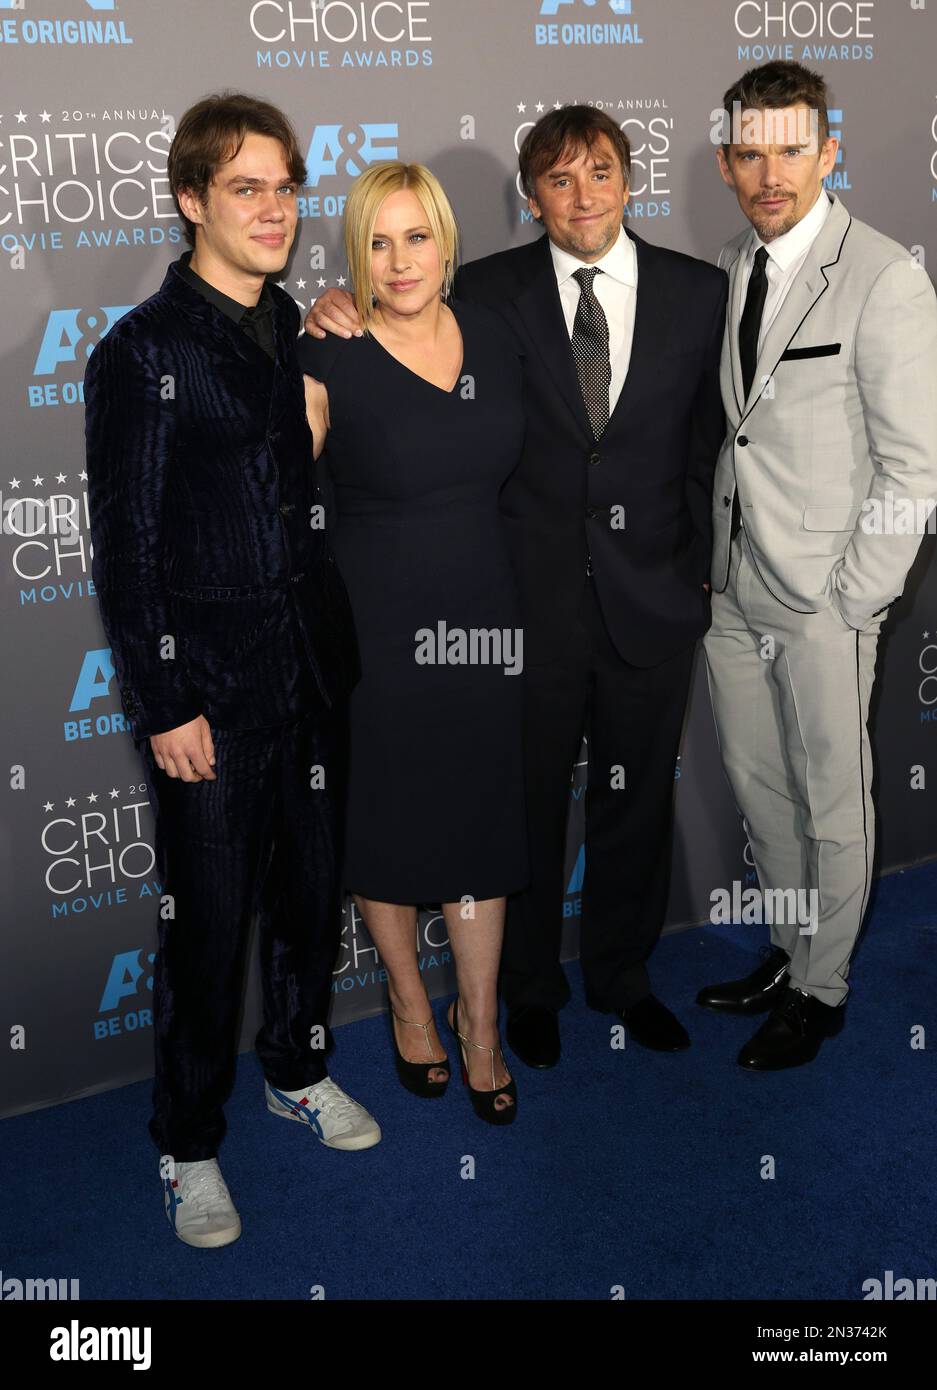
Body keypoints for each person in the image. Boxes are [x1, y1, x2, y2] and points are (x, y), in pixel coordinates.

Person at [306, 107, 727, 1069]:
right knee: (522, 806)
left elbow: (710, 441)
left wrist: (699, 561)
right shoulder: (484, 293)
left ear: (630, 181)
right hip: (519, 610)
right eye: (559, 179)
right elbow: (389, 328)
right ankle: (524, 992)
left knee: (635, 802)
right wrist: (335, 304)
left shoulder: (697, 292)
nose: (582, 196)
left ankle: (622, 976)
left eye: (601, 173)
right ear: (530, 196)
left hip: (651, 597)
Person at [84, 92, 380, 1249]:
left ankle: (297, 1070)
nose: (273, 208)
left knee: (309, 903)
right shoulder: (141, 352)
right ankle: (186, 1141)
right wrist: (165, 704)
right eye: (244, 187)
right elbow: (128, 548)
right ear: (191, 200)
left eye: (285, 186)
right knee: (207, 927)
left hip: (312, 671)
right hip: (207, 694)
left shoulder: (292, 320)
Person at [698, 61, 937, 1068]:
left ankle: (823, 987)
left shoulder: (884, 275)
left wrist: (856, 597)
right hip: (731, 586)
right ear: (724, 162)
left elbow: (916, 462)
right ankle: (791, 948)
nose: (769, 172)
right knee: (762, 790)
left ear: (828, 151)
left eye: (790, 148)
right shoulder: (732, 262)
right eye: (749, 152)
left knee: (832, 796)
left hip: (825, 596)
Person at [298, 162, 528, 1124]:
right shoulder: (326, 358)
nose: (400, 261)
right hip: (376, 626)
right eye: (378, 243)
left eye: (416, 237)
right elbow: (273, 503)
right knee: (384, 816)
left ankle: (480, 1022)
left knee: (479, 818)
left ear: (446, 239)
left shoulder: (499, 335)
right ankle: (406, 1001)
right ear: (357, 254)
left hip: (483, 613)